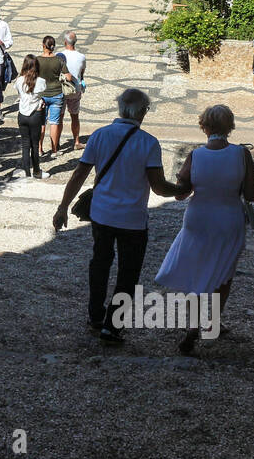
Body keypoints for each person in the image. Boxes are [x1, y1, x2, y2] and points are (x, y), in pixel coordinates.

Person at [52, 88, 187, 343]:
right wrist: (184, 189)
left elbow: (79, 174)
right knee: (128, 273)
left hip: (102, 214)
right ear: (143, 112)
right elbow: (159, 187)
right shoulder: (148, 143)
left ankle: (94, 315)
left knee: (100, 263)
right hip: (133, 219)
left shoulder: (100, 136)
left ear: (120, 108)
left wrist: (62, 207)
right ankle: (113, 326)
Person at [155, 105, 254, 354]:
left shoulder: (196, 156)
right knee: (223, 271)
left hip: (198, 219)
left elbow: (181, 194)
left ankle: (193, 326)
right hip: (228, 219)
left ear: (204, 126)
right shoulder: (241, 154)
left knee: (196, 270)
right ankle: (213, 321)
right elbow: (251, 193)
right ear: (230, 127)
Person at [36, 35, 70, 156]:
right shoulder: (59, 60)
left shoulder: (37, 60)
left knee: (41, 123)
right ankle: (54, 149)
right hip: (57, 94)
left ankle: (39, 149)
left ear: (43, 45)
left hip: (42, 95)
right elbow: (69, 76)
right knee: (54, 123)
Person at [14, 54, 47, 178]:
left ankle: (27, 172)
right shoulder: (41, 82)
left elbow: (20, 95)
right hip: (35, 115)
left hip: (22, 114)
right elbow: (40, 96)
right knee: (35, 144)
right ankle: (37, 170)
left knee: (25, 145)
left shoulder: (19, 81)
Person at [57, 32, 88, 149]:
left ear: (65, 42)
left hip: (61, 89)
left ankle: (57, 142)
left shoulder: (59, 55)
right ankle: (76, 141)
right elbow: (82, 73)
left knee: (59, 117)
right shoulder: (81, 57)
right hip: (75, 89)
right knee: (74, 116)